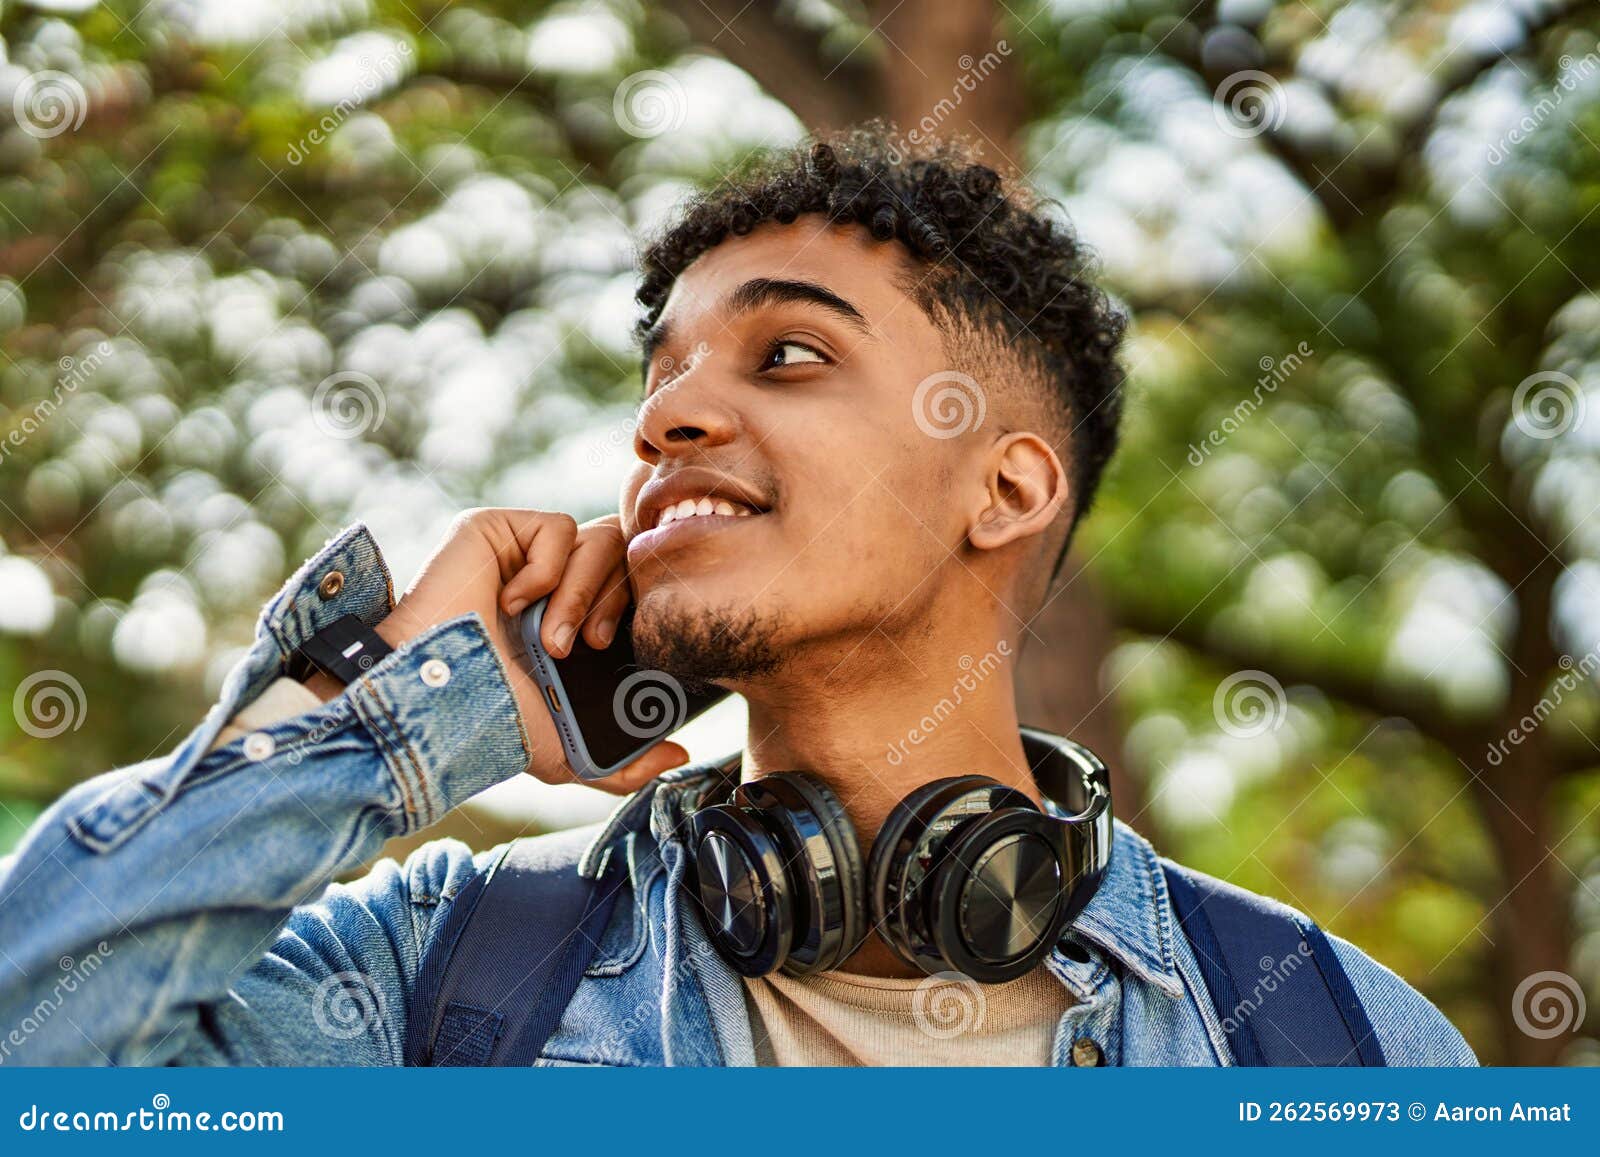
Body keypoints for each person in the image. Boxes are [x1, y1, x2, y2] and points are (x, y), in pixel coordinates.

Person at [0, 128, 1475, 1067]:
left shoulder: (1330, 1045)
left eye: (787, 357)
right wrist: (394, 705)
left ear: (1009, 488)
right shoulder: (445, 977)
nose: (668, 421)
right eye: (662, 377)